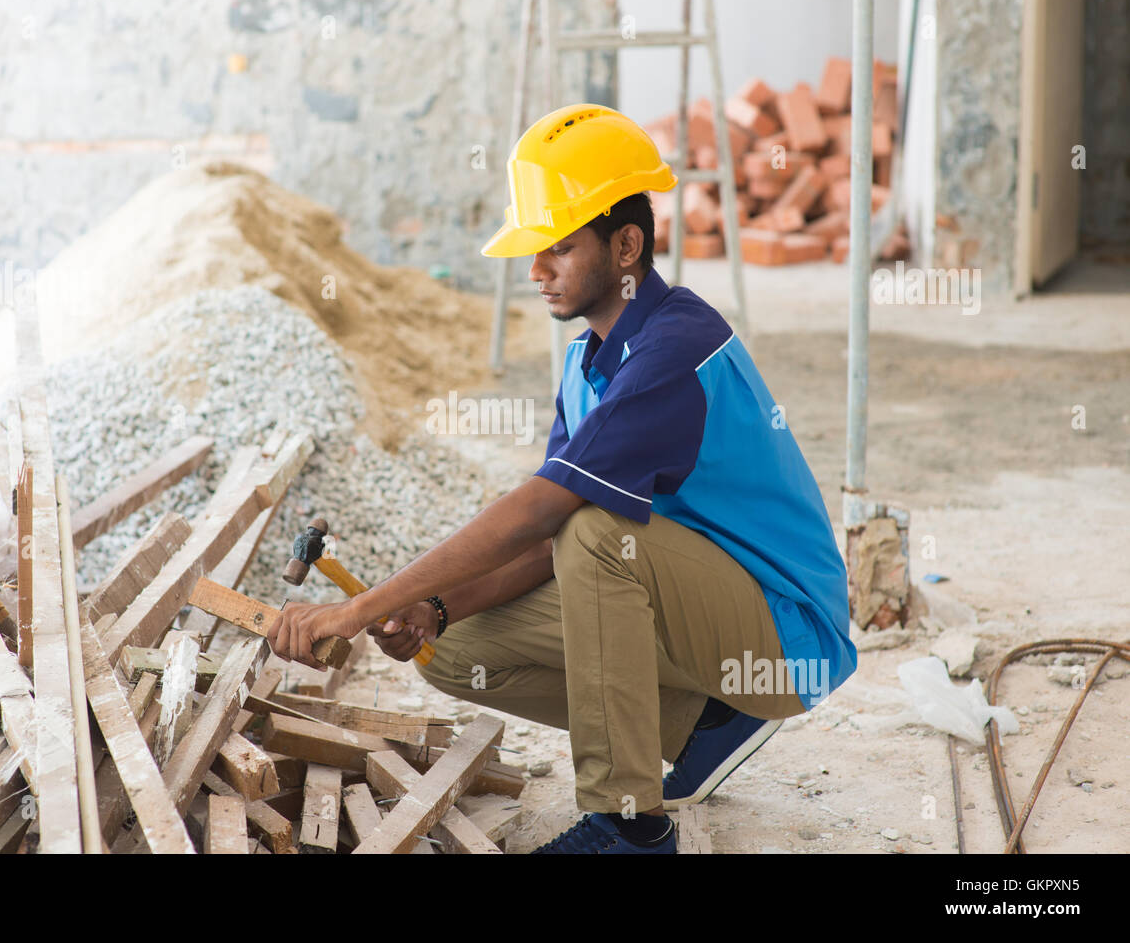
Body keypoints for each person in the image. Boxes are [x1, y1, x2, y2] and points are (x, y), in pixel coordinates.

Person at [268, 103, 856, 854]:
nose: (536, 271)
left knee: (593, 531)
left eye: (559, 248)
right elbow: (548, 549)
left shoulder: (676, 345)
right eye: (532, 251)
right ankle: (703, 720)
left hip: (786, 630)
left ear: (626, 246)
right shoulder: (586, 364)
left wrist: (355, 610)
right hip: (705, 615)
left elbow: (546, 517)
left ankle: (629, 825)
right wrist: (430, 608)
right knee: (450, 646)